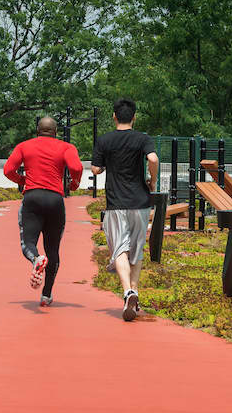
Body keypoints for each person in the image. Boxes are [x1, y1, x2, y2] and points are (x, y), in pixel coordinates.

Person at [2, 116, 83, 307]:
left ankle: (36, 258)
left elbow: (8, 170)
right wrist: (74, 183)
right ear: (56, 132)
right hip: (55, 201)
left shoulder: (24, 146)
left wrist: (22, 180)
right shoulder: (66, 147)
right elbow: (76, 167)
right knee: (53, 250)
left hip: (32, 198)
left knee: (28, 243)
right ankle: (46, 295)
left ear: (37, 130)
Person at [91, 99, 159, 321]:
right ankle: (135, 291)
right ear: (134, 117)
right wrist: (153, 180)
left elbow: (95, 169)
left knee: (119, 249)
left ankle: (127, 291)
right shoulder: (142, 139)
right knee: (137, 250)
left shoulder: (104, 140)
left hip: (116, 203)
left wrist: (103, 166)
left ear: (114, 116)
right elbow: (153, 158)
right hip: (140, 202)